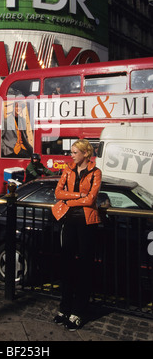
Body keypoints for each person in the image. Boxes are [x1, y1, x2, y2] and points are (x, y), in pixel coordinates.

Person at [52, 139, 102, 331]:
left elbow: (91, 199)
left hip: (87, 222)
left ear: (85, 154)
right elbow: (58, 193)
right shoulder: (68, 170)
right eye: (71, 152)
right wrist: (78, 196)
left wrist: (71, 199)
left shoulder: (95, 172)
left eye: (74, 152)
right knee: (66, 264)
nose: (71, 155)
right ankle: (65, 308)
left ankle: (78, 311)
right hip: (69, 220)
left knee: (84, 266)